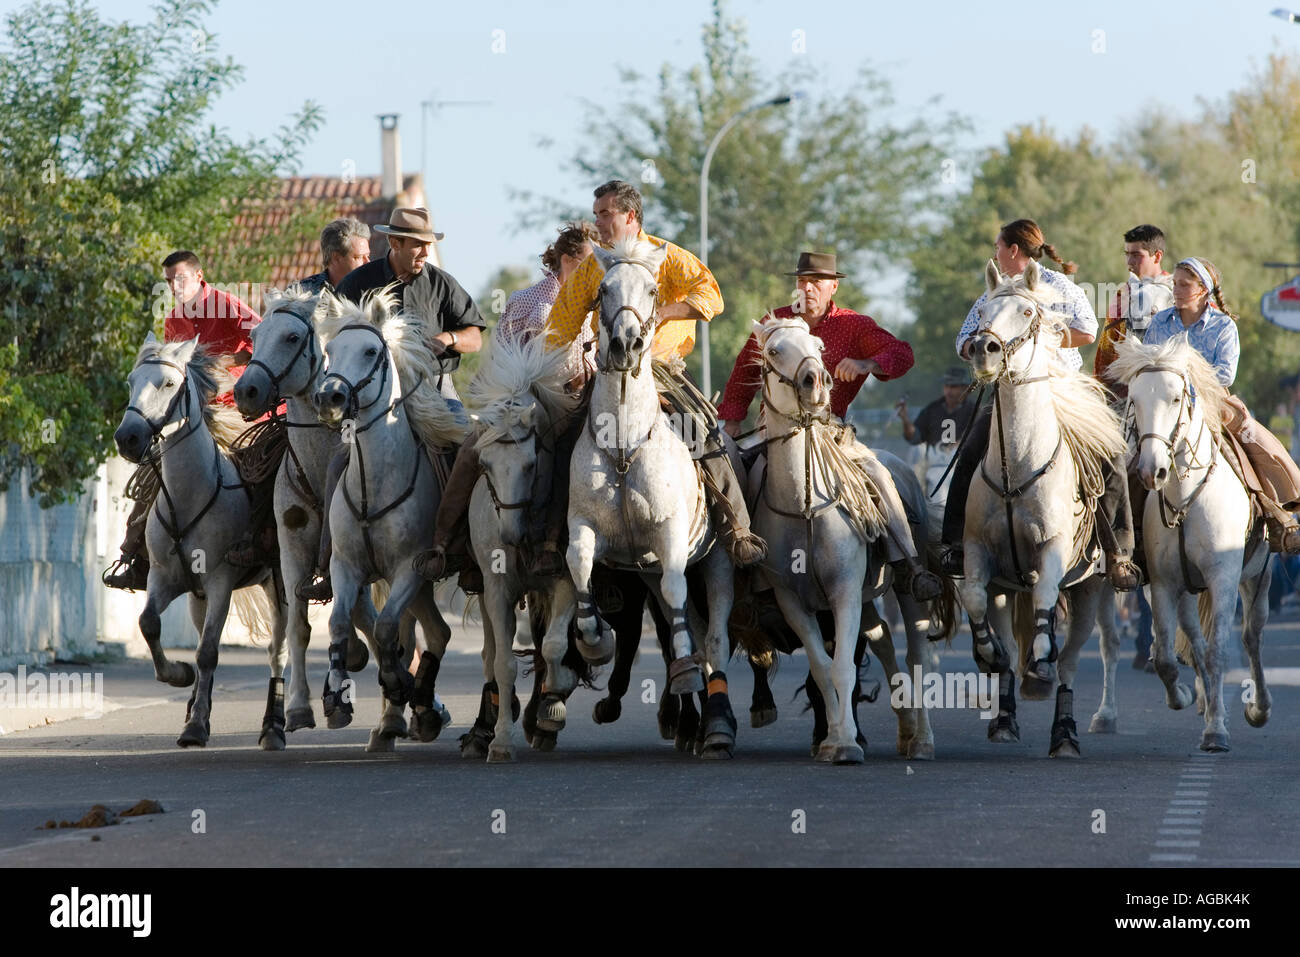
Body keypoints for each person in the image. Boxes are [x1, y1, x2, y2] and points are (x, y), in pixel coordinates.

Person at [425, 179, 765, 580]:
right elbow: (562, 324)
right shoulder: (594, 266)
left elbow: (711, 297)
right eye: (597, 213)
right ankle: (552, 542)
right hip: (604, 374)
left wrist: (659, 314)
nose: (599, 221)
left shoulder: (667, 257)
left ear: (630, 216)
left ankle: (738, 529)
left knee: (703, 429)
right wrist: (535, 375)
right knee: (564, 437)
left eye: (605, 213)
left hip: (662, 370)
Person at [717, 252, 941, 601]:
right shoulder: (775, 322)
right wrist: (731, 420)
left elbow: (901, 354)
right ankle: (743, 570)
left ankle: (907, 564)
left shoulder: (854, 325)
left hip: (831, 431)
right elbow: (745, 370)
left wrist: (866, 362)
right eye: (802, 281)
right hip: (774, 432)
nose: (807, 288)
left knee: (877, 473)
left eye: (816, 281)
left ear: (832, 286)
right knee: (736, 475)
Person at [296, 207, 486, 601]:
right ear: (394, 243)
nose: (424, 254)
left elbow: (475, 336)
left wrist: (449, 339)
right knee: (338, 464)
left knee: (468, 450)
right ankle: (329, 564)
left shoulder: (442, 283)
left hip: (434, 387)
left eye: (427, 246)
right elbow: (330, 332)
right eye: (416, 246)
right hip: (371, 396)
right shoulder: (358, 282)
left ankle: (461, 553)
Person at [940, 219, 1140, 590]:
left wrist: (1041, 340)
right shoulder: (994, 292)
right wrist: (977, 350)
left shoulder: (1060, 286)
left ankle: (1119, 552)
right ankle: (953, 545)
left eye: (998, 246)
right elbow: (963, 338)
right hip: (1008, 392)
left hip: (1061, 390)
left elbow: (1086, 331)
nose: (995, 254)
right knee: (969, 451)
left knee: (1109, 451)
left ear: (1013, 250)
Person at [412, 221, 599, 590]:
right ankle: (447, 545)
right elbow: (499, 356)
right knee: (471, 452)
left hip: (580, 404)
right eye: (589, 264)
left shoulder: (597, 304)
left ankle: (590, 555)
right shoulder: (528, 301)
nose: (594, 273)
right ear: (567, 261)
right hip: (525, 404)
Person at [102, 250, 263, 591]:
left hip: (236, 408)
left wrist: (224, 362)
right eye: (168, 280)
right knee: (153, 471)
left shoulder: (227, 304)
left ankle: (259, 539)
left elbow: (262, 338)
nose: (174, 285)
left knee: (256, 466)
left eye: (179, 278)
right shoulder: (173, 319)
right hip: (194, 411)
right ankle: (135, 553)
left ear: (199, 276)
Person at [1143, 256, 1300, 553]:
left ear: (1202, 289)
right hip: (1163, 407)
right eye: (1174, 283)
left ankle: (1277, 515)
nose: (1175, 290)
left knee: (1249, 444)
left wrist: (1183, 380)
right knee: (1131, 454)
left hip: (1211, 406)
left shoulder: (1223, 326)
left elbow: (1225, 373)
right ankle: (1120, 536)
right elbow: (1149, 363)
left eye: (1184, 285)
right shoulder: (1159, 322)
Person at [1094, 224, 1175, 398]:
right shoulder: (1123, 293)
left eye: (1137, 255)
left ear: (1157, 256)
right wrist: (1102, 390)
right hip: (1126, 387)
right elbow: (1106, 349)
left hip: (1170, 384)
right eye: (1127, 254)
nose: (1129, 262)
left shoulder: (1179, 290)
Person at [898, 365, 977, 453]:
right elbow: (914, 438)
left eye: (954, 386)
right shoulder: (931, 409)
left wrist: (954, 448)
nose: (949, 390)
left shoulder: (975, 411)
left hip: (963, 463)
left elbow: (977, 440)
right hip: (934, 463)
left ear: (965, 388)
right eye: (946, 385)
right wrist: (905, 419)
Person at [299, 218, 372, 295]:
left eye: (368, 255)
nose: (368, 262)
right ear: (336, 258)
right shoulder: (302, 295)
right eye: (359, 257)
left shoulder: (374, 293)